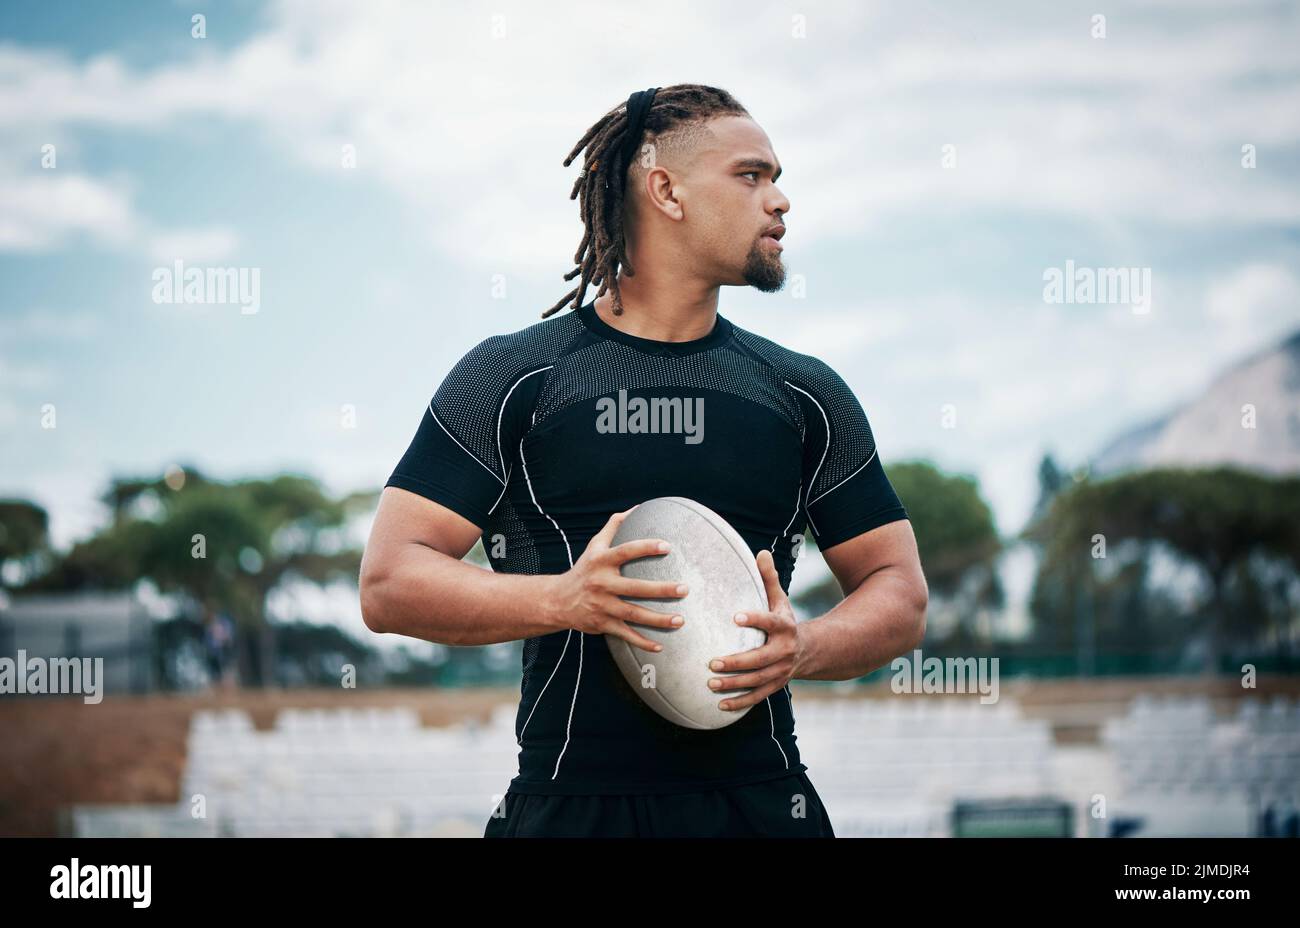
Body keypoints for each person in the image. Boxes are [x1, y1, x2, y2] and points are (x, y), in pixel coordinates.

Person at [361, 84, 928, 837]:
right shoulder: (514, 379)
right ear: (666, 189)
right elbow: (389, 581)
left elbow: (901, 591)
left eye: (777, 178)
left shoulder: (804, 394)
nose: (781, 201)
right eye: (752, 176)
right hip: (570, 809)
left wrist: (808, 645)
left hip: (762, 808)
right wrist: (563, 600)